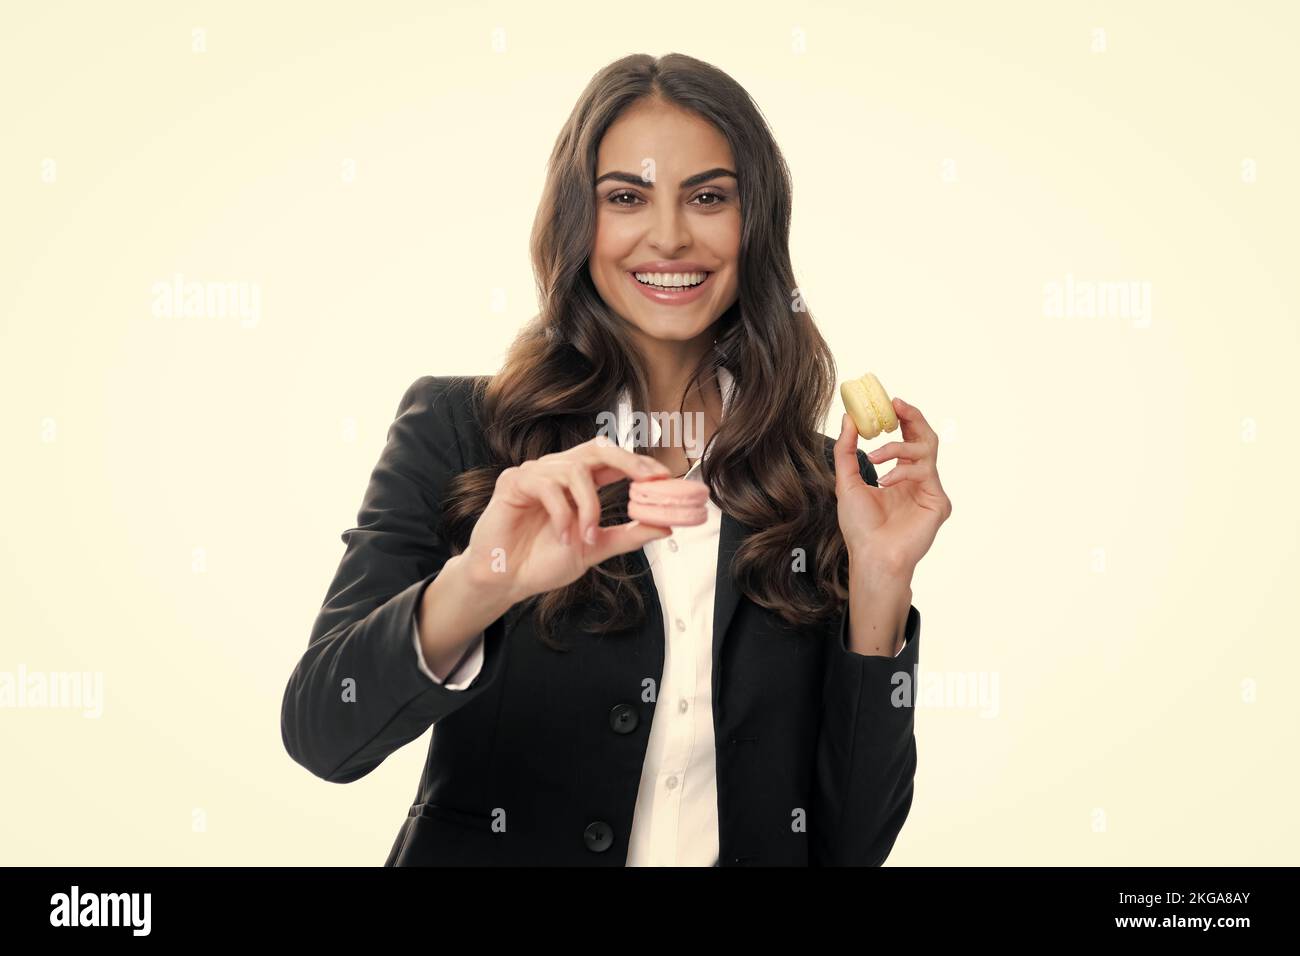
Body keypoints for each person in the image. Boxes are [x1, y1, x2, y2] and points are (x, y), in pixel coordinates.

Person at [281, 52, 952, 866]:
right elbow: (323, 732)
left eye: (708, 197)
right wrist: (485, 579)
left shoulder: (823, 486)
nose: (669, 235)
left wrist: (881, 584)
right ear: (578, 223)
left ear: (755, 224)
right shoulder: (461, 428)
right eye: (626, 198)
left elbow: (848, 846)